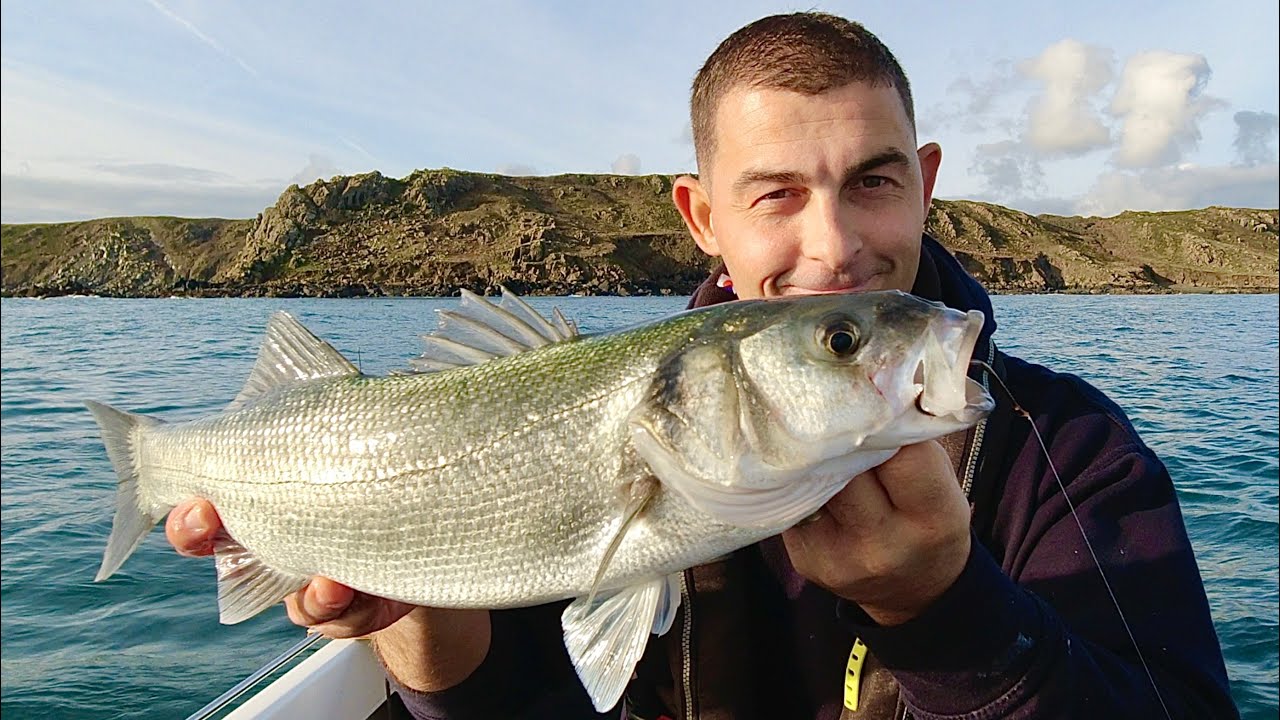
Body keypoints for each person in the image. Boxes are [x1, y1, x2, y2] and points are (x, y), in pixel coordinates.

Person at [167, 12, 1238, 719]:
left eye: (870, 183)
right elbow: (507, 706)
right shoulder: (613, 411)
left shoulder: (1076, 454)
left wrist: (944, 606)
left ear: (921, 184)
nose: (832, 249)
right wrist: (412, 606)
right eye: (774, 193)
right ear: (700, 214)